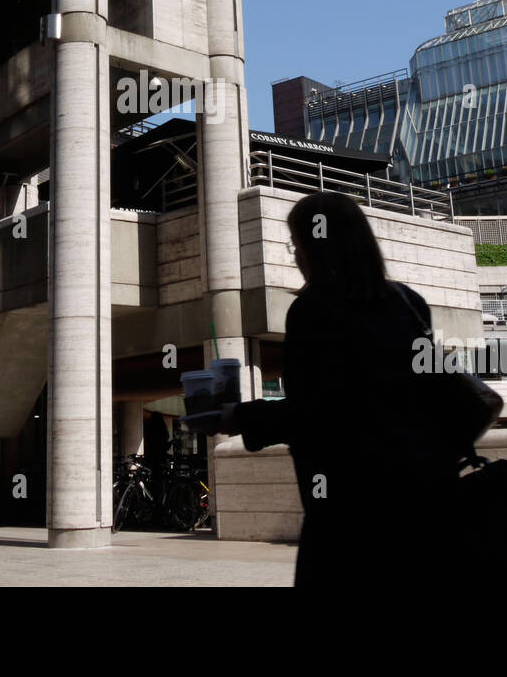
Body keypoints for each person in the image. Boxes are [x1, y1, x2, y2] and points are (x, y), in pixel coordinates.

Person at [199, 192, 465, 588]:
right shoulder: (408, 302)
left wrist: (235, 417)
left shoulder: (314, 310)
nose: (294, 256)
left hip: (347, 513)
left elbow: (319, 414)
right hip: (425, 503)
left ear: (316, 246)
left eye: (297, 244)